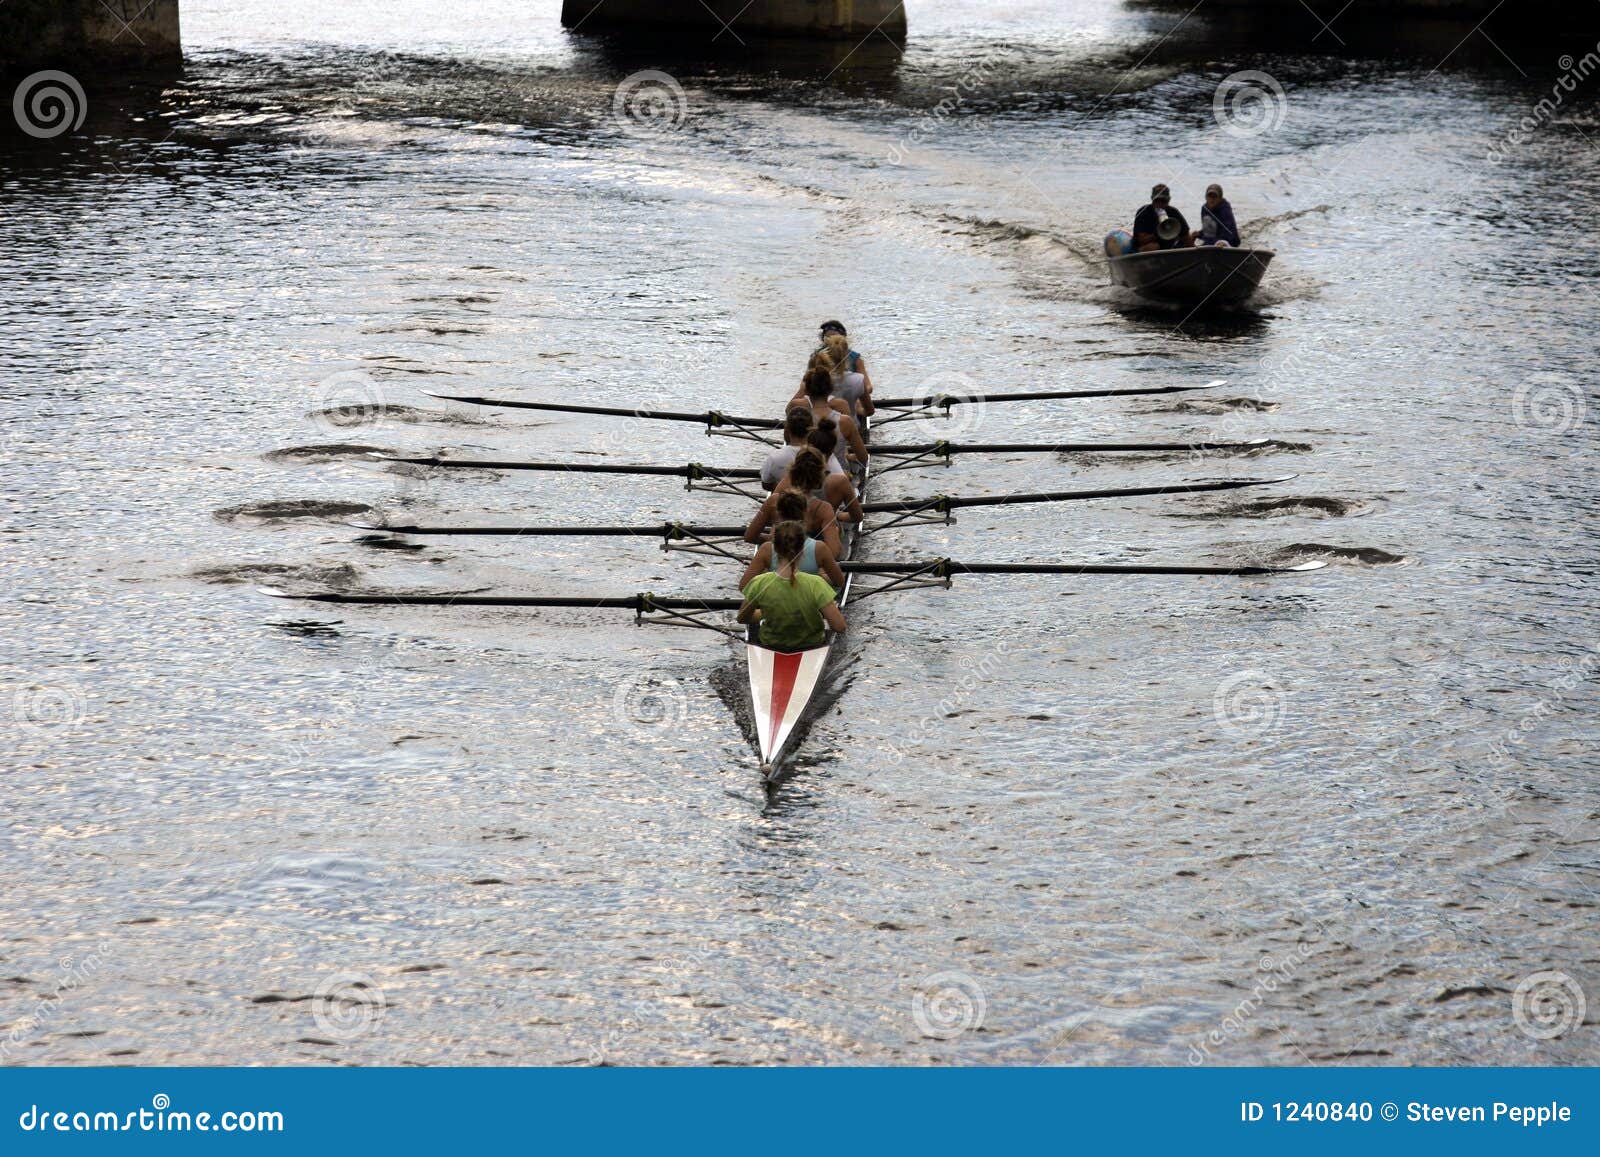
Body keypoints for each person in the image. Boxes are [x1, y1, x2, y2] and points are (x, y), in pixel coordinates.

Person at [737, 521, 846, 650]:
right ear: (802, 549)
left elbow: (742, 618)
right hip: (811, 645)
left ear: (775, 549)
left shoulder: (758, 583)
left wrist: (764, 612)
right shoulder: (816, 583)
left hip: (770, 645)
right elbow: (839, 627)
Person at [743, 447, 842, 556]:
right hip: (809, 563)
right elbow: (835, 552)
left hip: (778, 560)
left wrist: (773, 540)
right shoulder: (824, 508)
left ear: (792, 471)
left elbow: (750, 536)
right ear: (820, 476)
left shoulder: (773, 500)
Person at [738, 492, 846, 590]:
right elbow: (839, 583)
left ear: (778, 515)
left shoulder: (766, 549)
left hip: (776, 602)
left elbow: (743, 586)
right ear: (805, 514)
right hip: (809, 603)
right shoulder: (820, 548)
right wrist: (822, 576)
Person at [796, 365, 869, 470]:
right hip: (838, 474)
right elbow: (863, 458)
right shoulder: (845, 421)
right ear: (830, 389)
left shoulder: (798, 418)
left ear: (806, 390)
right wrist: (848, 456)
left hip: (806, 474)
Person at [761, 404, 847, 490]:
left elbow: (766, 484)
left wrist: (784, 488)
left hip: (790, 501)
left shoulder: (775, 457)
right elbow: (839, 480)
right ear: (812, 426)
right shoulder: (823, 454)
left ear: (787, 429)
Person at [816, 324, 874, 418]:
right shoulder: (817, 357)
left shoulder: (855, 358)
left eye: (835, 337)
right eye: (828, 337)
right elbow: (870, 411)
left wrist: (858, 393)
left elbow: (869, 387)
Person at [1132, 183, 1192, 252]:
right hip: (1146, 247)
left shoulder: (1174, 212)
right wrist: (1157, 234)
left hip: (1168, 248)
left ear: (1168, 200)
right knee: (1154, 247)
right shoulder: (1143, 212)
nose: (1159, 204)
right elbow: (1141, 240)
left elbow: (1186, 236)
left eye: (1163, 201)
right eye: (1156, 200)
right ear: (1152, 199)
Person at [1198, 183, 1241, 248]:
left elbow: (1228, 231)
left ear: (1220, 199)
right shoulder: (1204, 208)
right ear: (1206, 197)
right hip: (1214, 240)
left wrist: (1221, 241)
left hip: (1230, 240)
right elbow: (1208, 230)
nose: (1212, 199)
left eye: (1215, 196)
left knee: (1221, 243)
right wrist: (1198, 234)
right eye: (1210, 196)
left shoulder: (1225, 209)